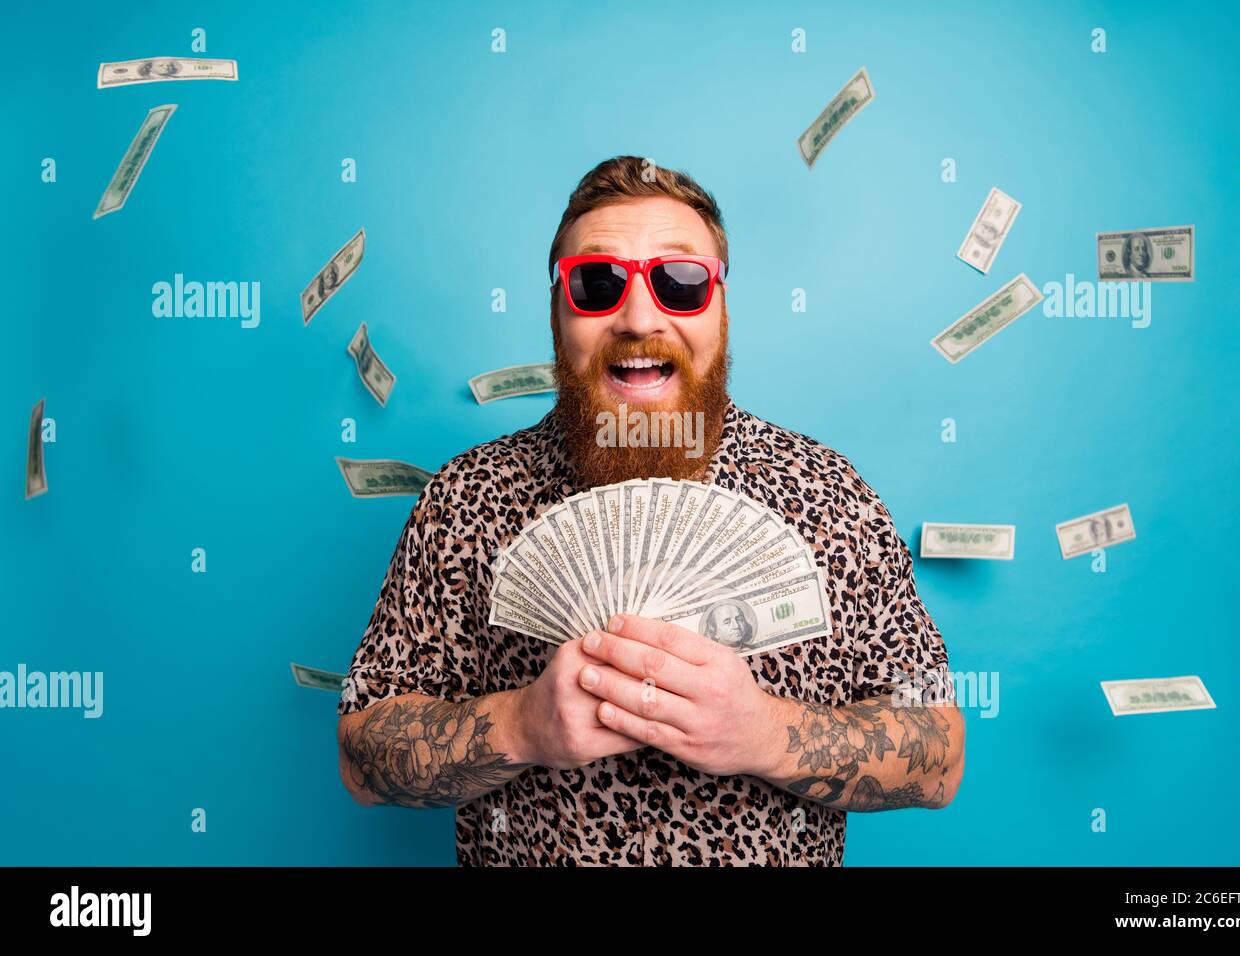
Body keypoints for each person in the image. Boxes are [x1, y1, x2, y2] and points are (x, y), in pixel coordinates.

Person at [336, 155, 965, 865]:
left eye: (681, 283)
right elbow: (362, 758)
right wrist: (521, 724)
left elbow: (938, 755)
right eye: (597, 284)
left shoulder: (829, 496)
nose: (640, 316)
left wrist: (765, 734)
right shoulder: (468, 498)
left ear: (722, 309)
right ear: (557, 311)